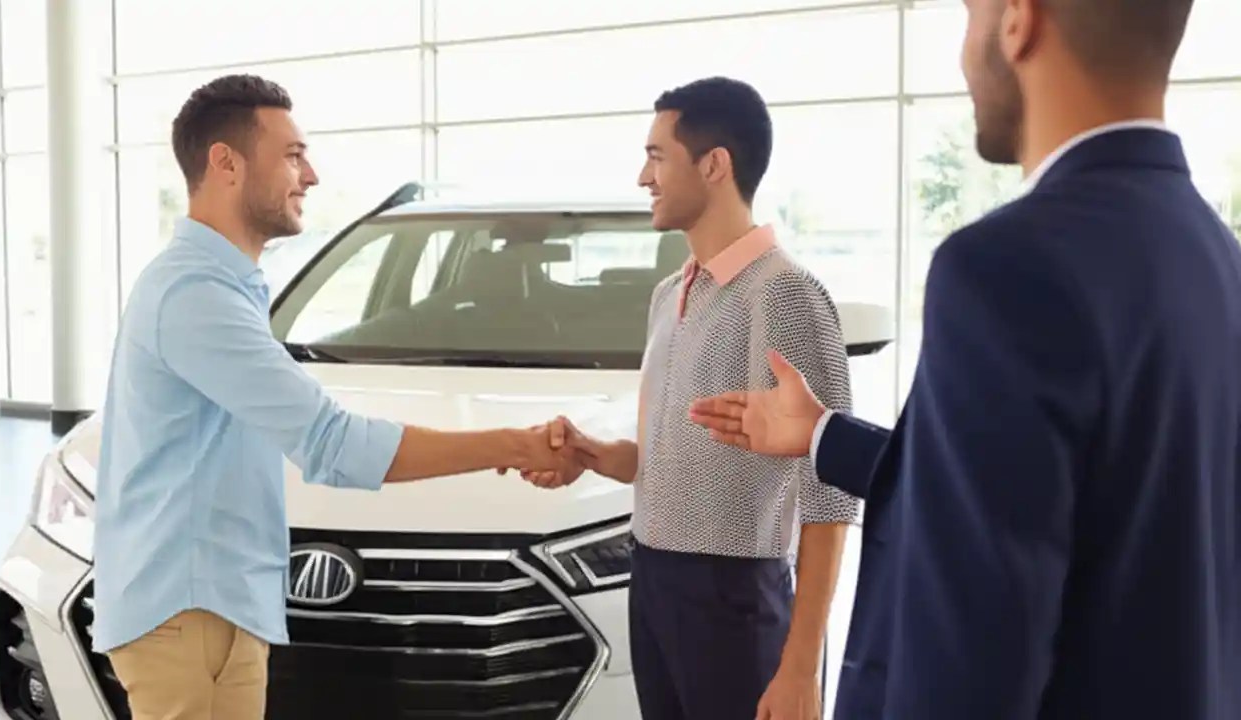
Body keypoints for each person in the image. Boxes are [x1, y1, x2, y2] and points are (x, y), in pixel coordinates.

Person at [689, 0, 1241, 718]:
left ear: (1019, 17)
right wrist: (827, 437)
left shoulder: (1007, 271)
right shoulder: (1215, 260)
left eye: (970, 12)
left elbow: (967, 660)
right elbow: (1088, 507)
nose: (963, 49)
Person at [91, 74, 572, 720]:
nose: (311, 175)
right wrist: (515, 444)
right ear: (225, 163)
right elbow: (332, 443)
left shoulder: (225, 287)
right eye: (292, 154)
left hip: (215, 606)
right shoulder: (195, 296)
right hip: (189, 614)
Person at [521, 76, 860, 720]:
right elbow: (667, 457)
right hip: (651, 580)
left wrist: (799, 668)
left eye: (656, 157)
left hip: (734, 597)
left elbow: (830, 496)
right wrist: (598, 455)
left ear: (713, 165)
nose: (642, 177)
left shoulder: (786, 294)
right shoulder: (670, 292)